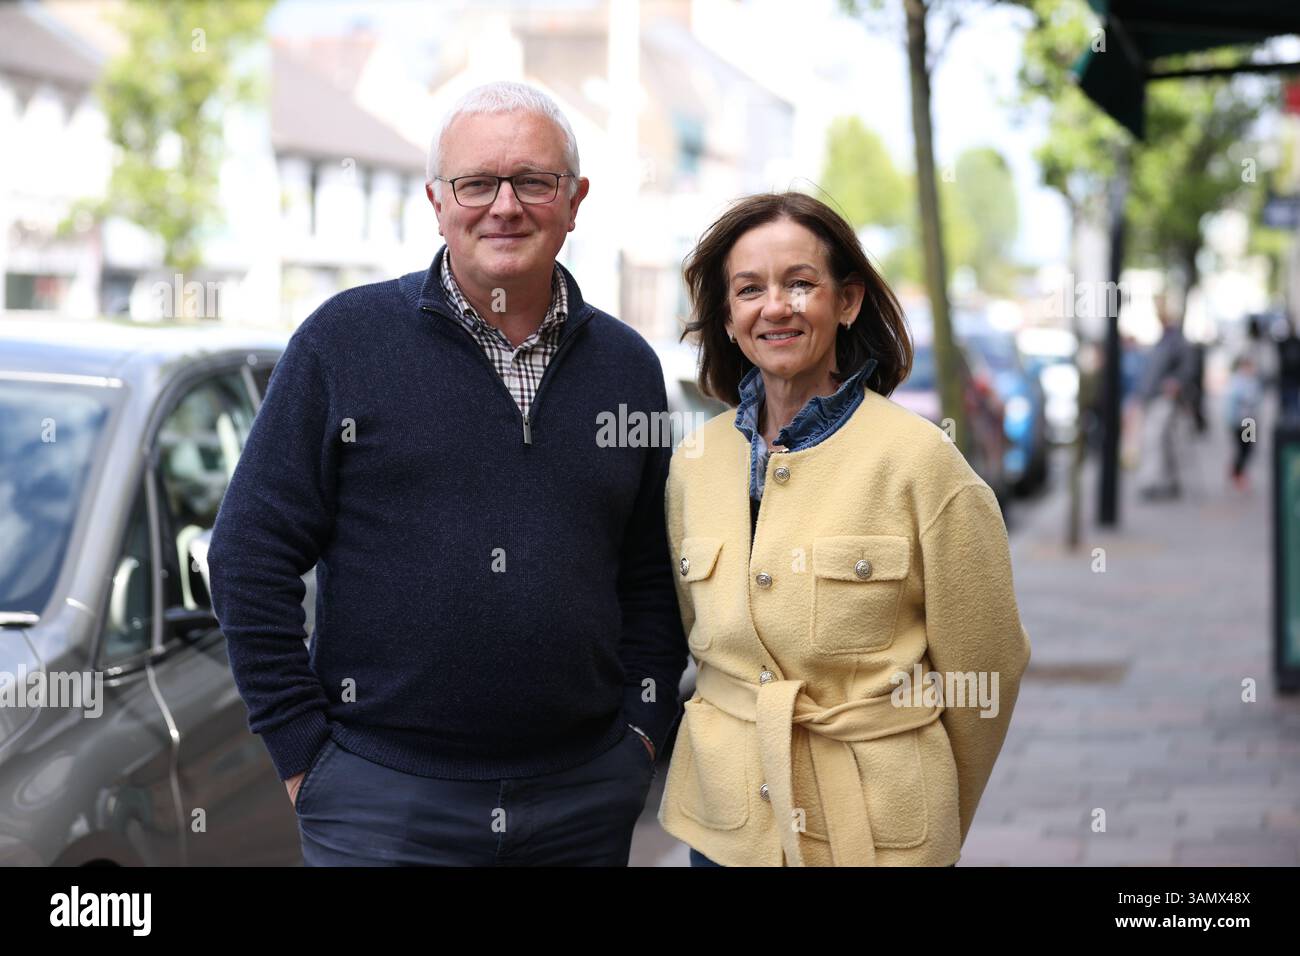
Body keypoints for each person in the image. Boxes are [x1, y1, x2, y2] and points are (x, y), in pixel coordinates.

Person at [207, 81, 688, 866]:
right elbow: (247, 554)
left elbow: (650, 574)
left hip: (580, 801)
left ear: (575, 201)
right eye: (476, 183)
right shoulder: (344, 342)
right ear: (437, 201)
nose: (505, 205)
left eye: (534, 180)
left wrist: (638, 736)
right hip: (381, 804)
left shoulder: (629, 368)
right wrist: (306, 759)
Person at [657, 192, 1032, 866]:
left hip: (881, 835)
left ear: (847, 300)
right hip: (726, 829)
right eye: (749, 289)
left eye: (800, 284)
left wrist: (934, 807)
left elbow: (988, 663)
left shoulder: (921, 461)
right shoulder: (693, 465)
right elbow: (701, 643)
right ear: (728, 313)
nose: (775, 306)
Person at [1135, 294, 1195, 500]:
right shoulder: (1164, 339)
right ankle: (1169, 482)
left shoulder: (1176, 340)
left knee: (1154, 438)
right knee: (1164, 441)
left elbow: (1187, 368)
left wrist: (1175, 383)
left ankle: (1150, 482)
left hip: (1164, 398)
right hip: (1155, 397)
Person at [1225, 354, 1262, 492]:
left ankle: (1238, 471)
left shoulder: (1251, 381)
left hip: (1249, 421)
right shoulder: (1239, 382)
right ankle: (1238, 473)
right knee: (1243, 449)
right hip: (1243, 422)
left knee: (1248, 449)